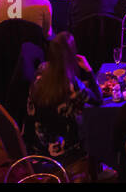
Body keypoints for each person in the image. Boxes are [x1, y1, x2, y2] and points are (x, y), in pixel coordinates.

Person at [25, 32, 99, 162]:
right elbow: (98, 100)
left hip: (37, 147)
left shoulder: (41, 70)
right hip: (64, 151)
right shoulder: (71, 84)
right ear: (72, 55)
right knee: (99, 123)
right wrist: (89, 70)